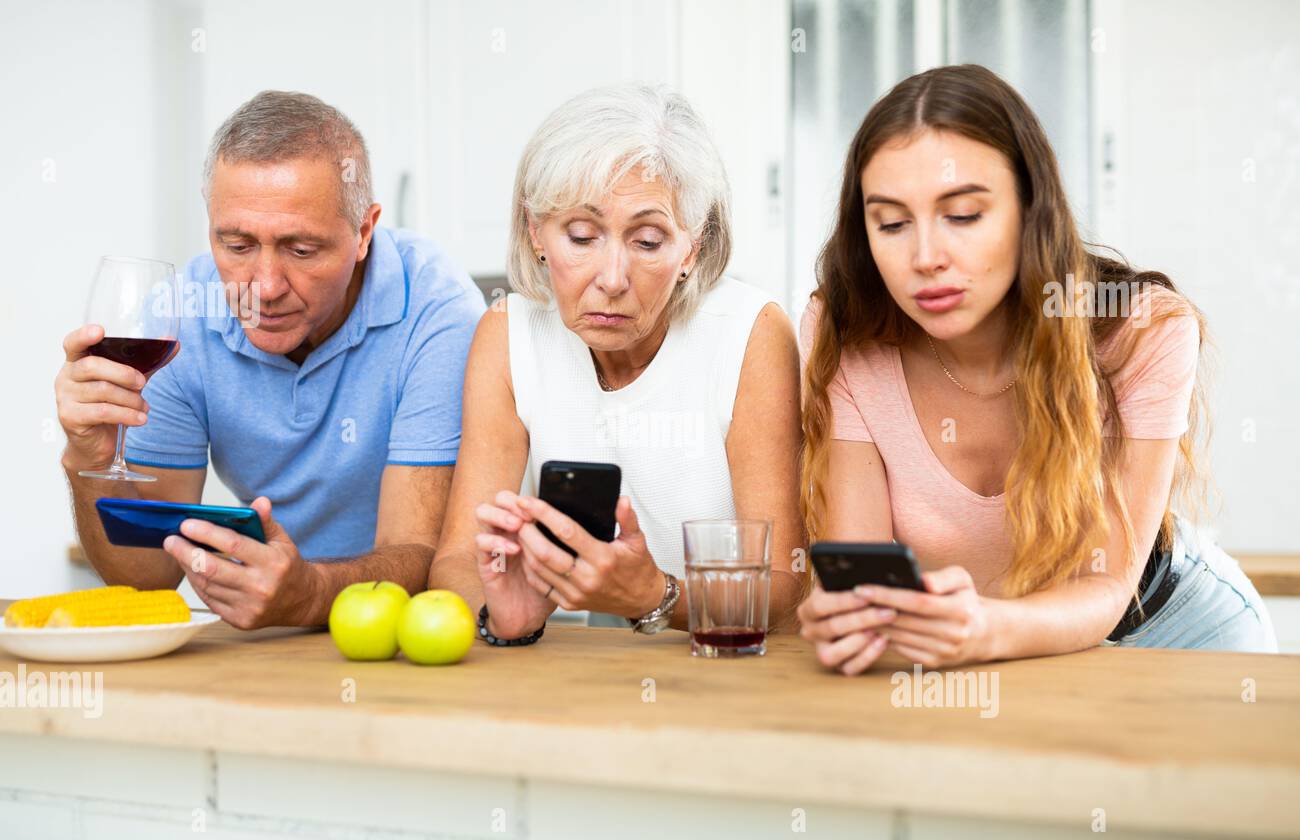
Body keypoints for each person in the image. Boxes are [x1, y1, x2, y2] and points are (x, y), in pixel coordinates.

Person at [796, 65, 1276, 675]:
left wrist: (981, 628)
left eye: (964, 215)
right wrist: (845, 617)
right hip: (994, 654)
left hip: (1175, 631)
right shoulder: (845, 333)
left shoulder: (1141, 331)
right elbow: (859, 570)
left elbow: (1102, 589)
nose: (925, 258)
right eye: (891, 223)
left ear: (1030, 208)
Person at [55, 91, 483, 628]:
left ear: (364, 233)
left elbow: (422, 555)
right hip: (269, 643)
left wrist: (309, 594)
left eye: (301, 250)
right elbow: (147, 575)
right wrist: (87, 457)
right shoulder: (180, 315)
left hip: (407, 639)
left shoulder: (437, 310)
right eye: (236, 245)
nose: (263, 287)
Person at [427, 84, 805, 643]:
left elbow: (782, 584)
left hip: (741, 668)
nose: (611, 278)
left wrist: (656, 596)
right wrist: (500, 613)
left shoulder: (750, 333)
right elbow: (458, 558)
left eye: (648, 242)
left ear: (692, 249)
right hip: (603, 671)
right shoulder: (508, 334)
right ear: (536, 232)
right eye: (581, 236)